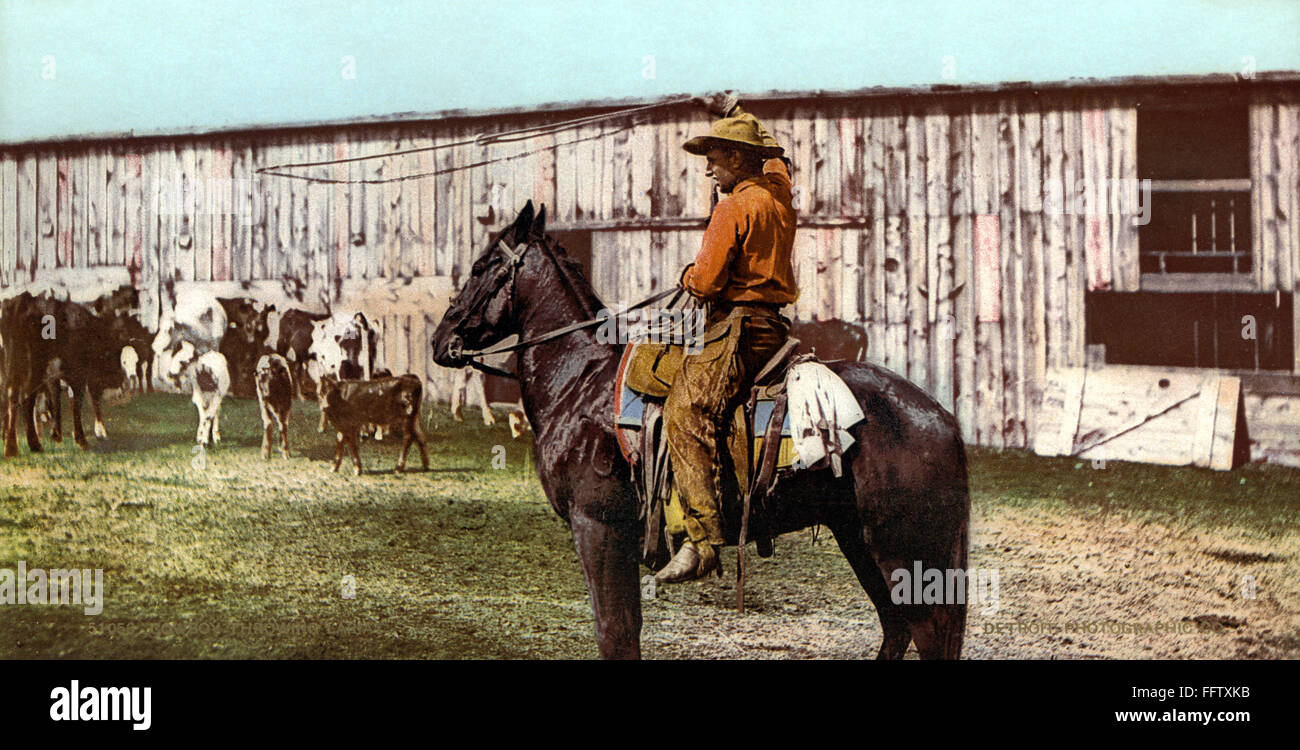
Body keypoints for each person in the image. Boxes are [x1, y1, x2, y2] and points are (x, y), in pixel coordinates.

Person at [656, 94, 799, 584]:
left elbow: (709, 282)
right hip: (775, 330)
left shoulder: (734, 207)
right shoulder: (779, 197)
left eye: (714, 161)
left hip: (736, 330)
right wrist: (739, 109)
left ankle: (702, 540)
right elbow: (777, 159)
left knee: (685, 410)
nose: (710, 172)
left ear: (737, 159)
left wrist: (688, 277)